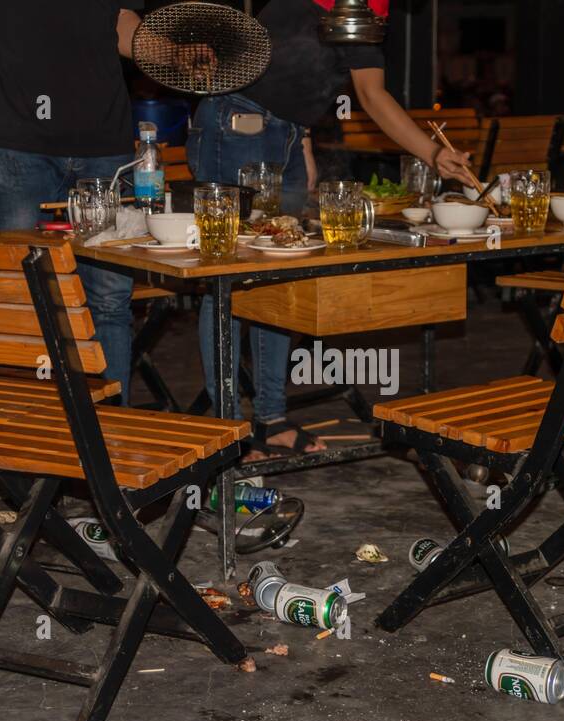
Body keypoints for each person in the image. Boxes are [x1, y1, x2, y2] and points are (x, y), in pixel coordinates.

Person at [187, 0, 480, 458]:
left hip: (284, 132)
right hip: (236, 121)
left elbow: (372, 94)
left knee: (281, 268)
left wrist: (433, 154)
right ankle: (227, 429)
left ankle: (270, 418)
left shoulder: (366, 12)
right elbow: (262, 62)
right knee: (227, 270)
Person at [0, 0, 144, 404]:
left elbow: (119, 20)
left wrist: (167, 50)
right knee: (24, 299)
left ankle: (109, 435)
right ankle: (31, 434)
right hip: (17, 145)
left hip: (105, 146)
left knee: (110, 302)